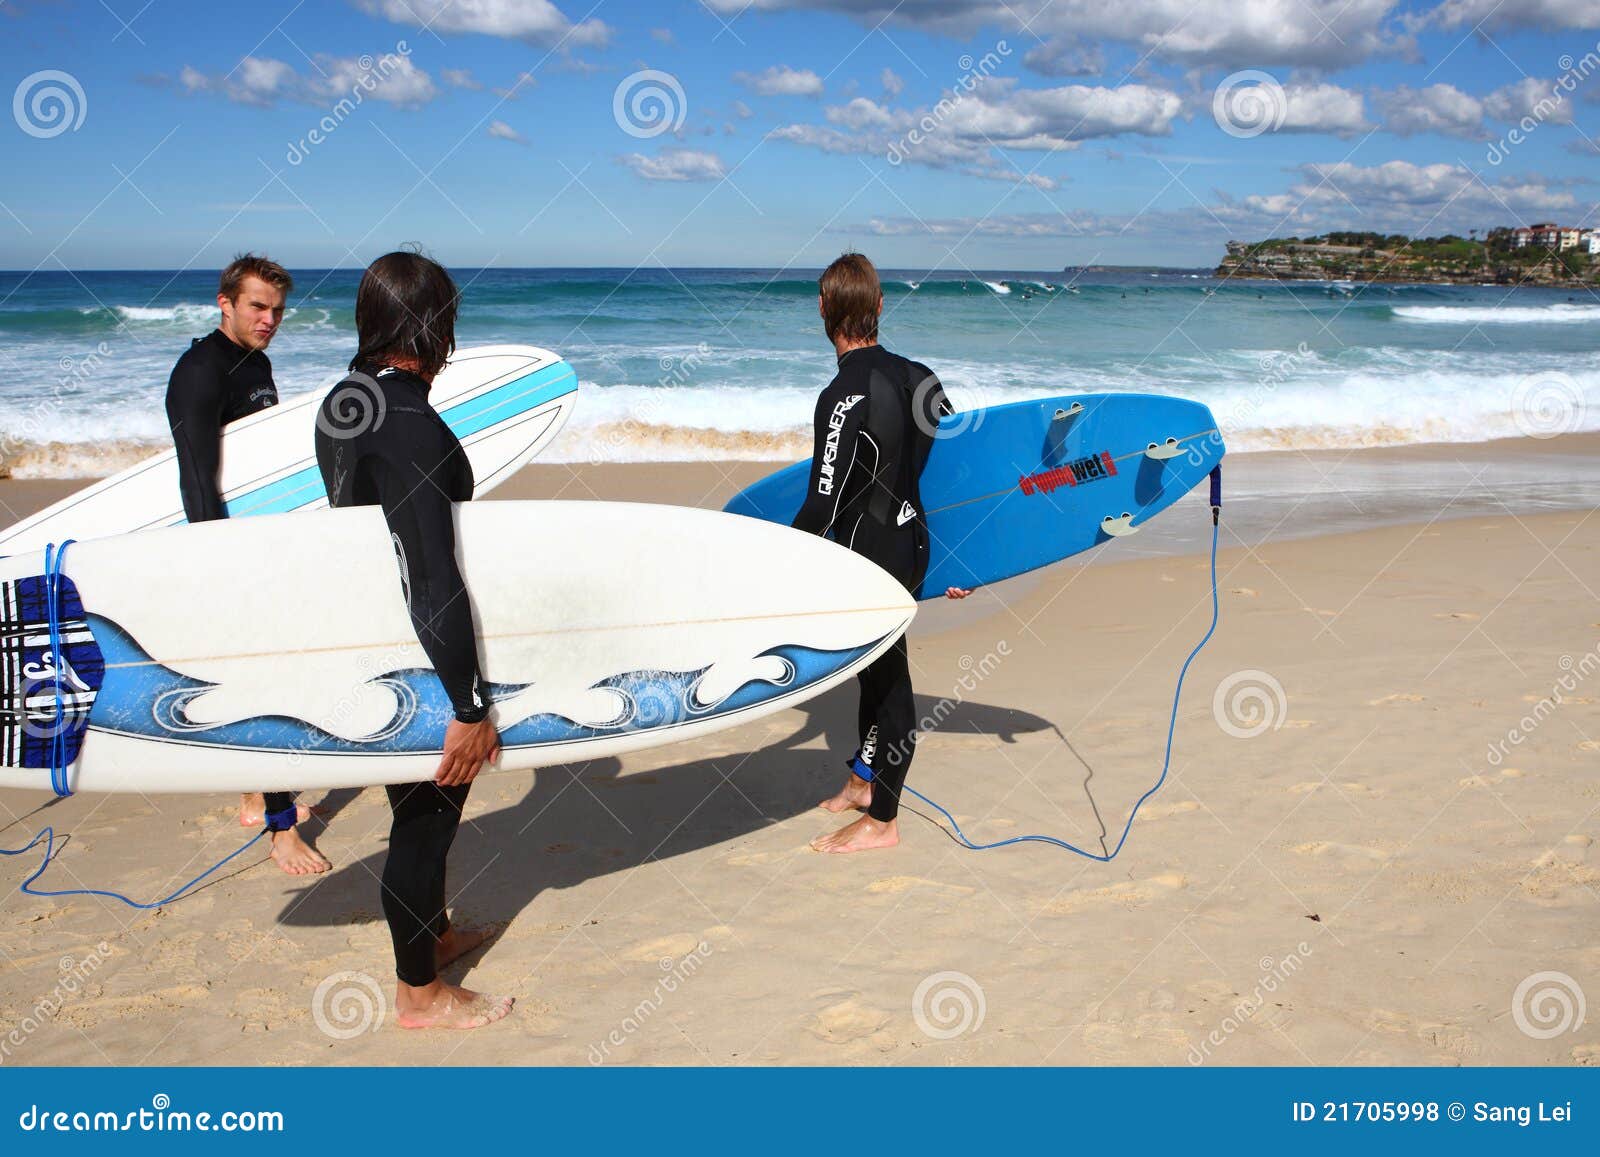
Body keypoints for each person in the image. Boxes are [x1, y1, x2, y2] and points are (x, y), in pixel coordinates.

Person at [314, 250, 511, 1031]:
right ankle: (418, 993)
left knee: (416, 806)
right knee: (427, 817)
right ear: (435, 329)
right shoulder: (410, 422)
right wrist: (468, 702)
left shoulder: (344, 401)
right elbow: (430, 571)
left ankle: (432, 937)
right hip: (422, 649)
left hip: (374, 639)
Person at [792, 253, 968, 855]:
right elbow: (951, 476)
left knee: (889, 679)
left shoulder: (840, 394)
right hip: (912, 543)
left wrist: (780, 561)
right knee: (872, 667)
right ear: (879, 306)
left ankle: (884, 820)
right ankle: (864, 782)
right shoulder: (923, 377)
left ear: (823, 309)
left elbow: (823, 502)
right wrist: (962, 560)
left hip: (870, 556)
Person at [164, 253, 329, 876]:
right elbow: (198, 478)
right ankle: (280, 832)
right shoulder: (199, 373)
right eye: (258, 307)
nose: (269, 320)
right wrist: (221, 561)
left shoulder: (255, 362)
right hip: (229, 549)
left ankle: (254, 791)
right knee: (268, 682)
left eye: (277, 310)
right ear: (224, 302)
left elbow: (263, 463)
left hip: (263, 541)